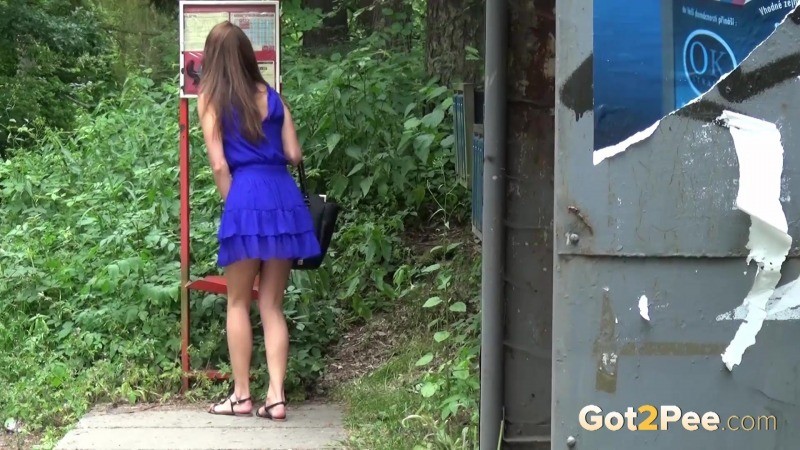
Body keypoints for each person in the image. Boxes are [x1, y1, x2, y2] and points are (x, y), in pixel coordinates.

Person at [197, 21, 321, 421]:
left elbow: (219, 164)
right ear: (250, 55)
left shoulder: (212, 99)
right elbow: (295, 154)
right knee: (271, 303)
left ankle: (242, 395)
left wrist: (236, 205)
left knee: (237, 300)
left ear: (213, 61)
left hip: (245, 196)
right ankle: (277, 397)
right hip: (282, 198)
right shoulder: (273, 97)